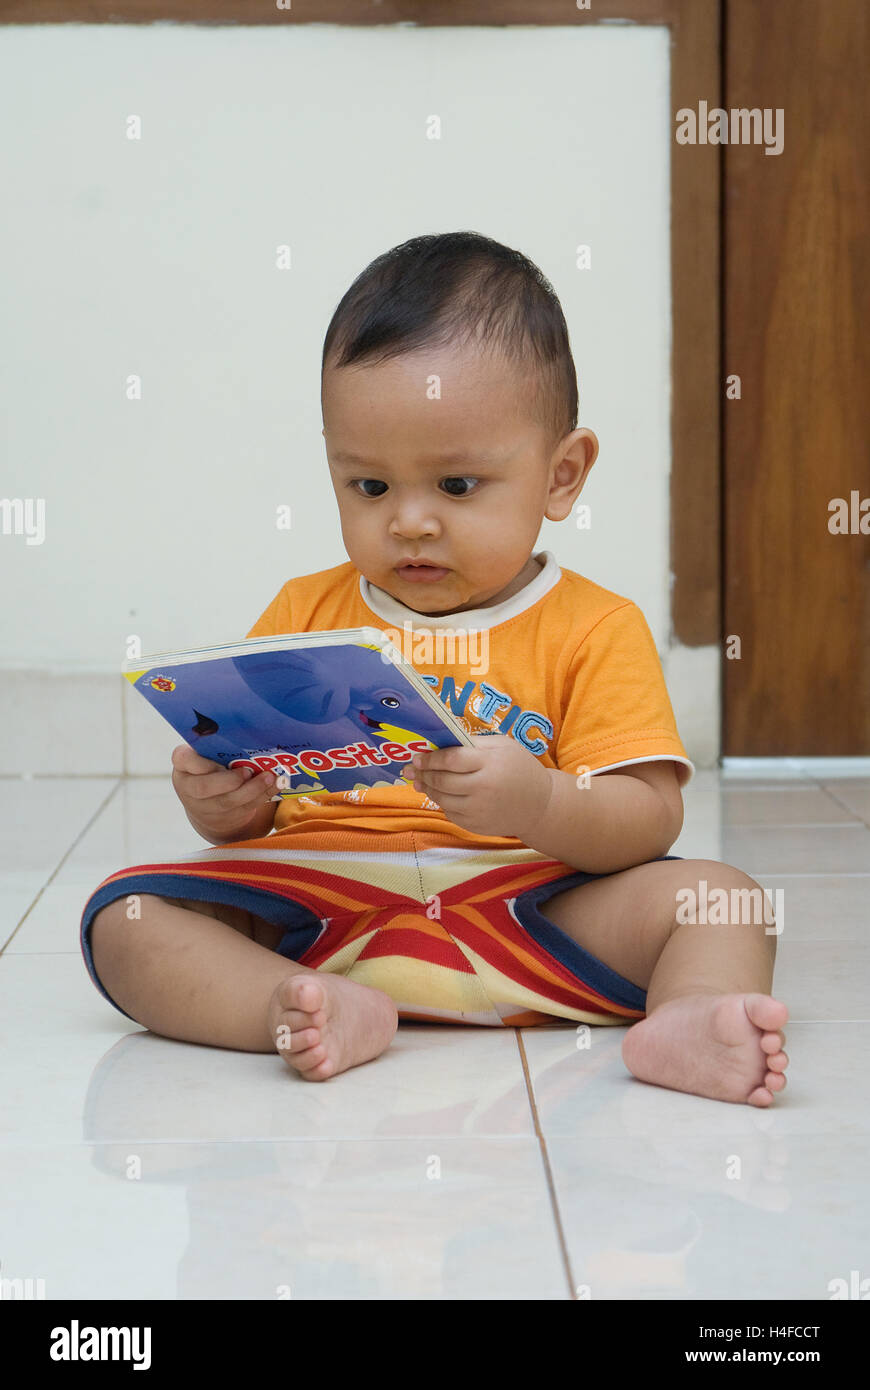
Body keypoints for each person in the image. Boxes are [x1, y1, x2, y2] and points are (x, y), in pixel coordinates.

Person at [82, 231, 788, 1106]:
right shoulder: (304, 610)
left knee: (726, 899)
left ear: (560, 476)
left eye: (456, 486)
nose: (410, 523)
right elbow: (248, 809)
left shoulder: (596, 625)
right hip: (327, 905)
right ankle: (296, 1007)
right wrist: (223, 801)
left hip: (527, 902)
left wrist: (540, 801)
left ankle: (690, 1018)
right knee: (129, 914)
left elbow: (649, 818)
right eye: (369, 487)